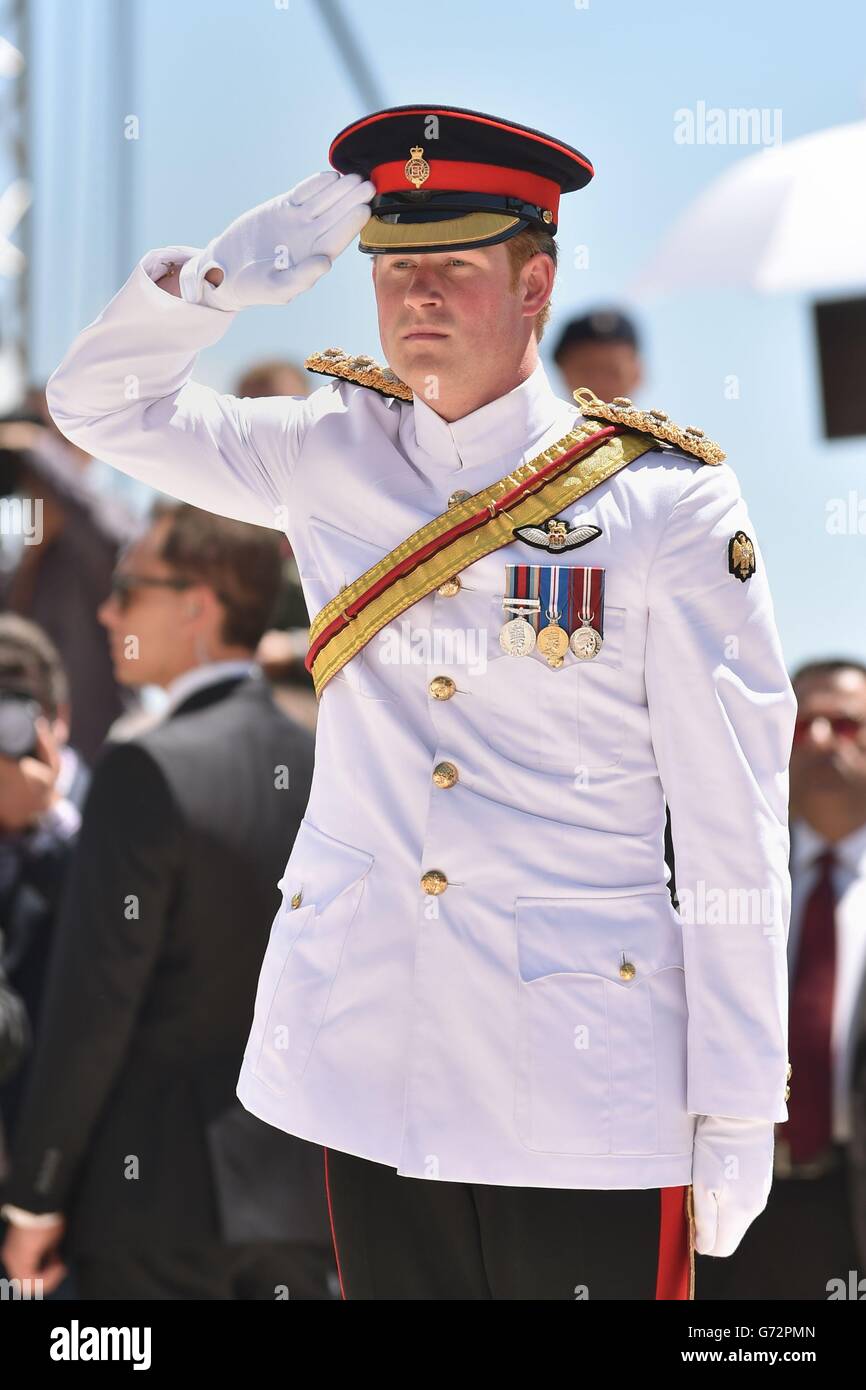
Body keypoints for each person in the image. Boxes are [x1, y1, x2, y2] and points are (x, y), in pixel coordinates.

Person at [40, 102, 796, 1300]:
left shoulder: (666, 507)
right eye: (394, 270)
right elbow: (97, 406)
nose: (416, 297)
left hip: (585, 1096)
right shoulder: (326, 449)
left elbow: (732, 826)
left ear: (535, 283)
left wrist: (738, 1104)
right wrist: (239, 270)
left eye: (453, 267)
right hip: (376, 1070)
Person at [0, 504, 337, 1300]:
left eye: (130, 587)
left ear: (200, 604)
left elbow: (93, 1010)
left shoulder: (143, 766)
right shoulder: (326, 756)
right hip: (305, 1201)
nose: (108, 611)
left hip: (153, 1210)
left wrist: (36, 1198)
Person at [699, 658, 866, 1299]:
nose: (821, 740)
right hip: (729, 1199)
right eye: (803, 725)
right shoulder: (719, 876)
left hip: (847, 1196)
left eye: (846, 725)